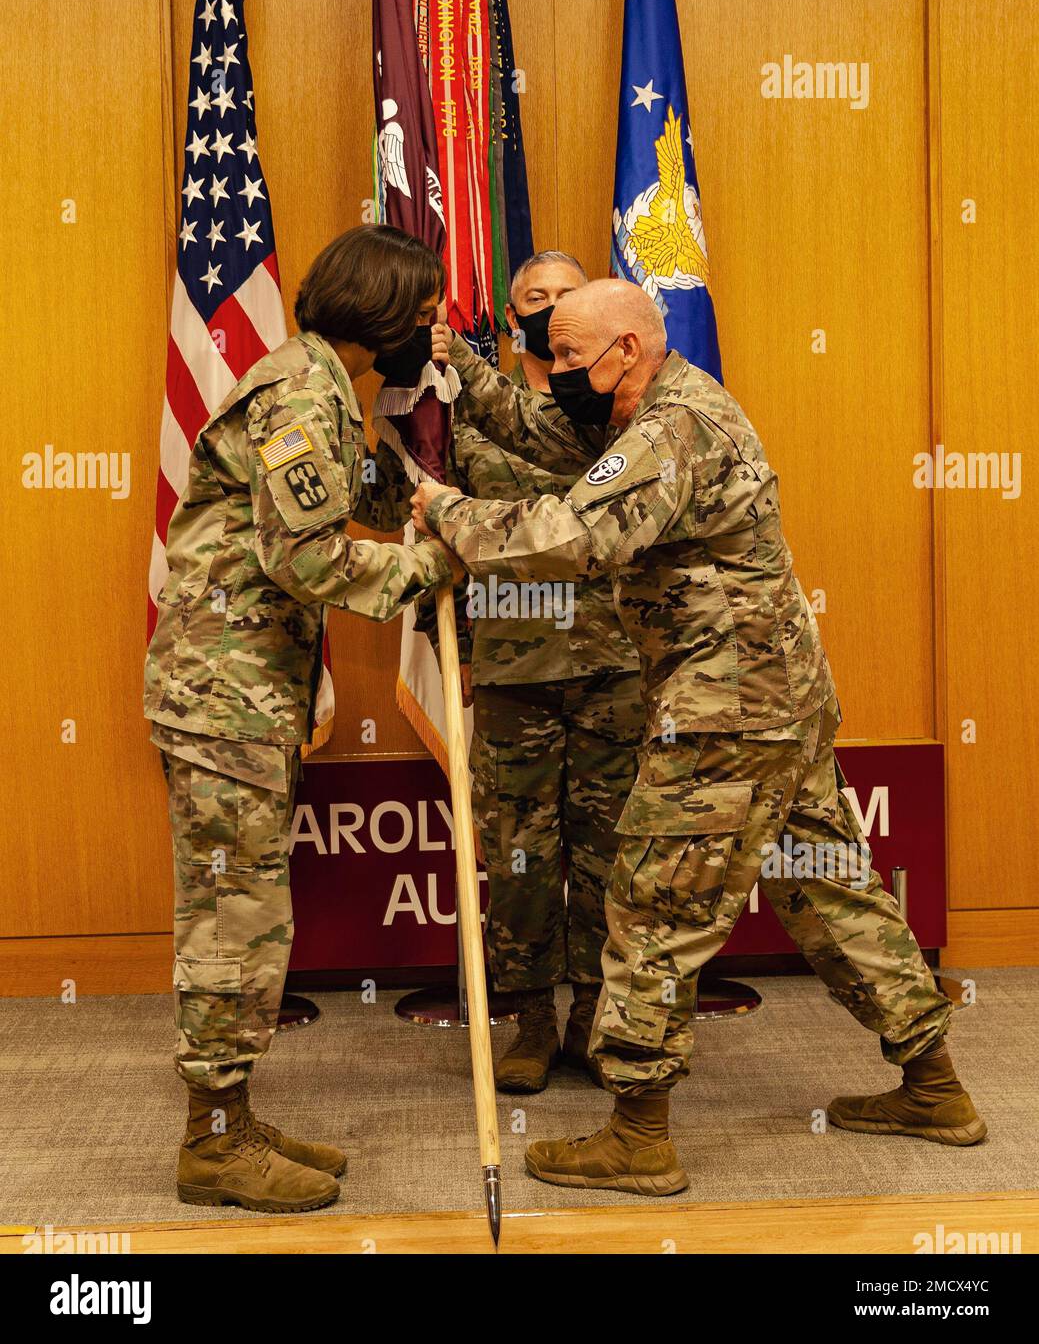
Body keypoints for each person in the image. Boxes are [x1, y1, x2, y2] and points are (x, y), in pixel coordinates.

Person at [412, 277, 984, 1197]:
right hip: (777, 703)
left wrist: (447, 513)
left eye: (567, 356)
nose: (555, 373)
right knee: (828, 889)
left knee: (650, 903)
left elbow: (570, 537)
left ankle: (639, 1133)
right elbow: (544, 434)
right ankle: (936, 1087)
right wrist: (463, 372)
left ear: (624, 352)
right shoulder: (648, 411)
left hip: (725, 712)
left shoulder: (674, 429)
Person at [145, 224, 463, 1214]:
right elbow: (306, 558)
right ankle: (212, 1142)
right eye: (421, 315)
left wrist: (420, 487)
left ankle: (231, 1119)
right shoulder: (296, 391)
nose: (430, 330)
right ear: (378, 317)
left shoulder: (324, 383)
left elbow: (343, 494)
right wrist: (425, 567)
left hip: (245, 691)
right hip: (224, 693)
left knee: (247, 907)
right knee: (235, 916)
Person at [420, 252, 644, 1093]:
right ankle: (530, 1019)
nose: (548, 308)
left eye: (564, 296)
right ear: (516, 322)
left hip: (612, 661)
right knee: (518, 853)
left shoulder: (617, 411)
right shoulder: (472, 420)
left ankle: (593, 1011)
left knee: (606, 850)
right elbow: (418, 507)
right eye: (532, 300)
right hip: (515, 664)